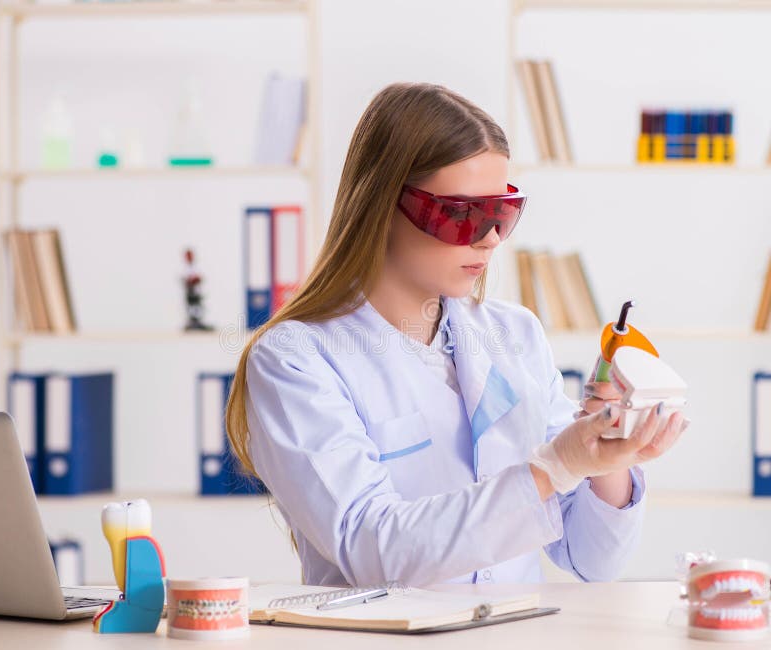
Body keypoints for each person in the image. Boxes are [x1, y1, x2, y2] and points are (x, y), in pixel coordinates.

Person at [225, 82, 687, 587]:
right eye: (462, 214)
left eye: (502, 212)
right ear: (382, 205)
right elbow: (371, 547)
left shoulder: (516, 335)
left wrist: (606, 458)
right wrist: (555, 467)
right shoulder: (295, 358)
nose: (489, 238)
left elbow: (593, 560)